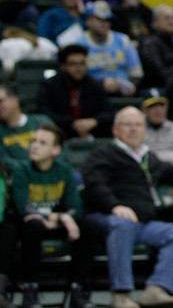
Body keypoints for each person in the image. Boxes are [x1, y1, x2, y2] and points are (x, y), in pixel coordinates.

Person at [82, 107, 173, 308]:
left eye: (138, 125)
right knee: (123, 223)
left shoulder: (147, 157)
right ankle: (121, 295)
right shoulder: (104, 153)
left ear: (144, 130)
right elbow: (94, 185)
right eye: (127, 125)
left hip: (142, 224)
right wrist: (115, 206)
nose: (134, 130)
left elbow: (169, 170)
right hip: (106, 219)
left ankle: (158, 289)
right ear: (115, 130)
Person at [10, 123, 104, 308]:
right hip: (33, 226)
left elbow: (76, 207)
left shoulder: (65, 170)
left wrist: (61, 218)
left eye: (42, 143)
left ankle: (77, 289)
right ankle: (30, 289)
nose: (35, 146)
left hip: (58, 225)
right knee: (32, 226)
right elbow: (23, 208)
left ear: (56, 150)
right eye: (34, 141)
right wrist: (60, 217)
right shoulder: (22, 169)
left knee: (90, 226)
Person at [37, 44, 114, 139]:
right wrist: (72, 123)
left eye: (82, 64)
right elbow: (44, 111)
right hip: (59, 132)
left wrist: (94, 121)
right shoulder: (50, 85)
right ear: (63, 66)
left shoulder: (94, 85)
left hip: (92, 132)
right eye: (73, 64)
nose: (78, 68)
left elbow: (108, 112)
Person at [77, 0, 143, 96]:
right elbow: (78, 76)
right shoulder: (79, 44)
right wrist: (101, 84)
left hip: (123, 94)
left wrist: (132, 86)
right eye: (99, 19)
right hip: (92, 94)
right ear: (88, 21)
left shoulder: (123, 40)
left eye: (107, 20)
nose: (104, 24)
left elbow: (136, 73)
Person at [138, 5, 173, 90]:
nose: (172, 21)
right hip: (158, 88)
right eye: (167, 18)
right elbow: (158, 72)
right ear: (155, 23)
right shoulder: (149, 43)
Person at [0, 84, 45, 162]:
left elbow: (58, 148)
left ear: (15, 100)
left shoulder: (41, 121)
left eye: (1, 101)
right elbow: (6, 162)